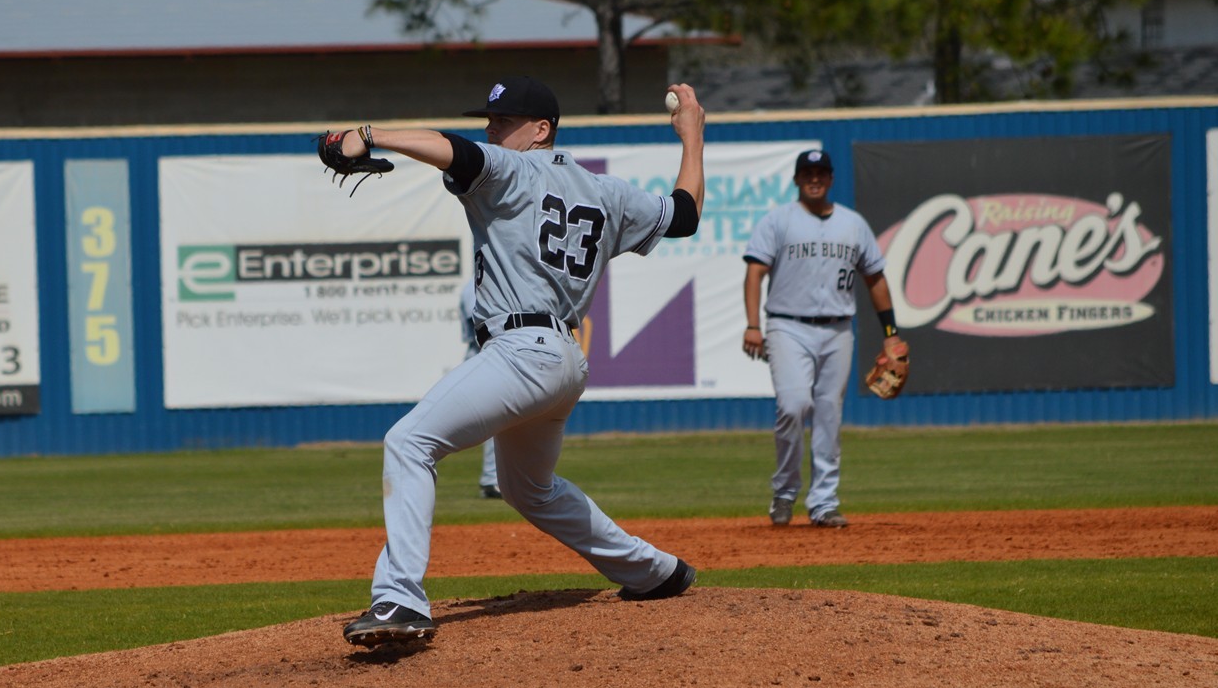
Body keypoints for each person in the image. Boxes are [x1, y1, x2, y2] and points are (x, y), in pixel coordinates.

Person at [327, 74, 706, 646]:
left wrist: (367, 133)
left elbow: (449, 147)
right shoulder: (607, 191)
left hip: (521, 350)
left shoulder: (512, 168)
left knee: (409, 442)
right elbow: (684, 214)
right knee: (529, 488)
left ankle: (400, 599)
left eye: (502, 121)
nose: (491, 129)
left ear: (540, 130)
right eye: (491, 120)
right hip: (564, 362)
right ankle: (654, 571)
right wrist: (693, 136)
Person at [742, 148, 902, 529]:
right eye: (808, 172)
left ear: (830, 179)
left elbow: (875, 279)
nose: (815, 178)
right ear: (797, 179)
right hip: (787, 325)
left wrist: (891, 334)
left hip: (837, 328)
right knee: (794, 405)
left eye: (821, 172)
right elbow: (754, 274)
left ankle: (824, 502)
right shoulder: (778, 221)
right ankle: (784, 490)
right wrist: (753, 325)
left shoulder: (853, 224)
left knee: (829, 412)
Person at [458, 278, 502, 499]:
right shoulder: (474, 285)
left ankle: (496, 480)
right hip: (482, 356)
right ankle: (492, 480)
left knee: (501, 421)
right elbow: (480, 328)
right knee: (495, 422)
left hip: (494, 356)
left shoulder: (497, 281)